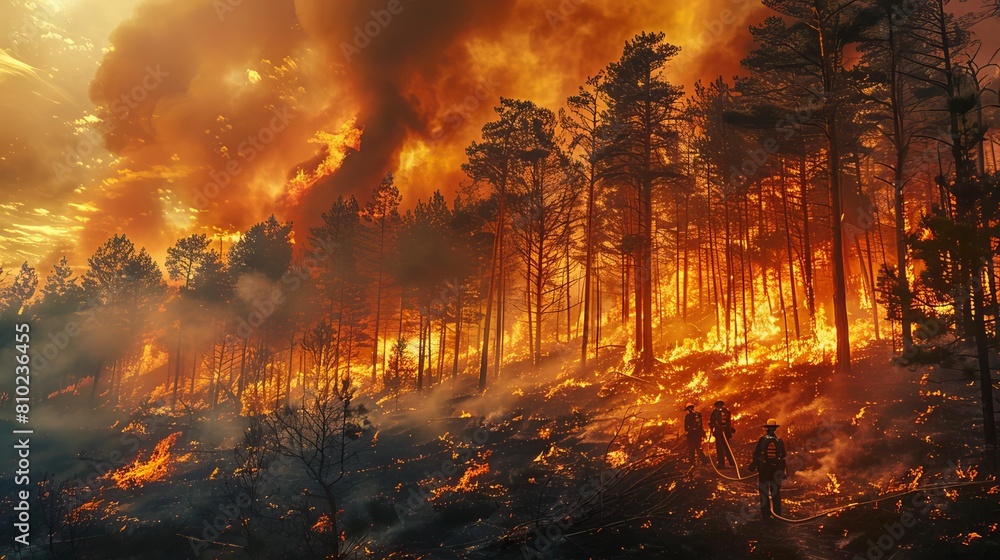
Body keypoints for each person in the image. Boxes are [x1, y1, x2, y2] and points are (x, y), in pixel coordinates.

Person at [750, 418, 786, 520]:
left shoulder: (763, 440)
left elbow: (756, 454)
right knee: (774, 492)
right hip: (773, 470)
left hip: (765, 470)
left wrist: (754, 464)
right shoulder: (779, 441)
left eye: (771, 428)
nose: (770, 430)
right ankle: (776, 514)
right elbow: (783, 455)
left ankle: (767, 515)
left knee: (765, 493)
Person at [709, 400, 736, 468]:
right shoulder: (726, 412)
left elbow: (713, 421)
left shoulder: (716, 412)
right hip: (726, 432)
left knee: (720, 448)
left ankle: (721, 464)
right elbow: (728, 422)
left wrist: (712, 426)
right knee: (727, 447)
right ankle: (732, 462)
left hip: (719, 433)